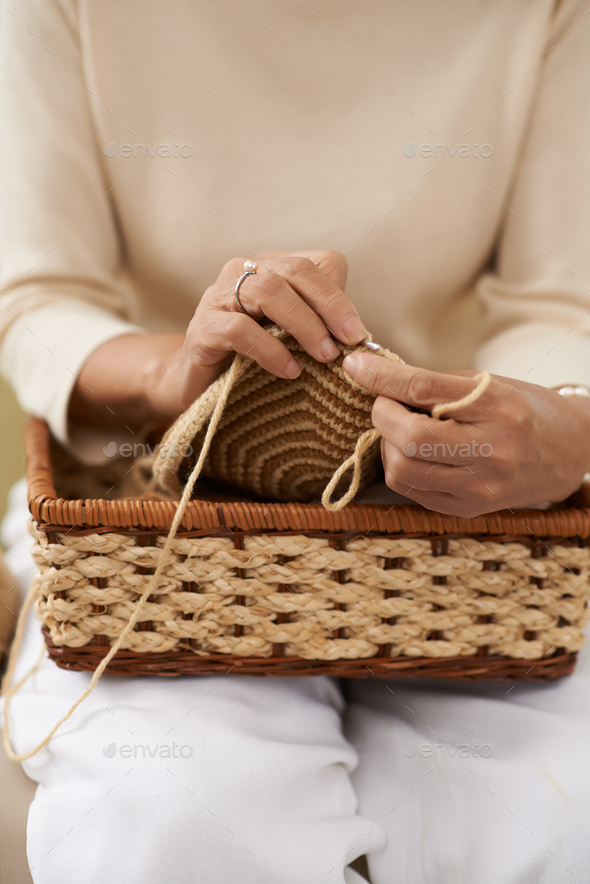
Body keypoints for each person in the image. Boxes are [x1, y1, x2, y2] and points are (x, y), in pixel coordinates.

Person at [1, 0, 590, 881]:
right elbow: (38, 298)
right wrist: (176, 375)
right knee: (178, 811)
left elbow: (560, 302)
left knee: (552, 811)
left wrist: (560, 418)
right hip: (151, 514)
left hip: (477, 525)